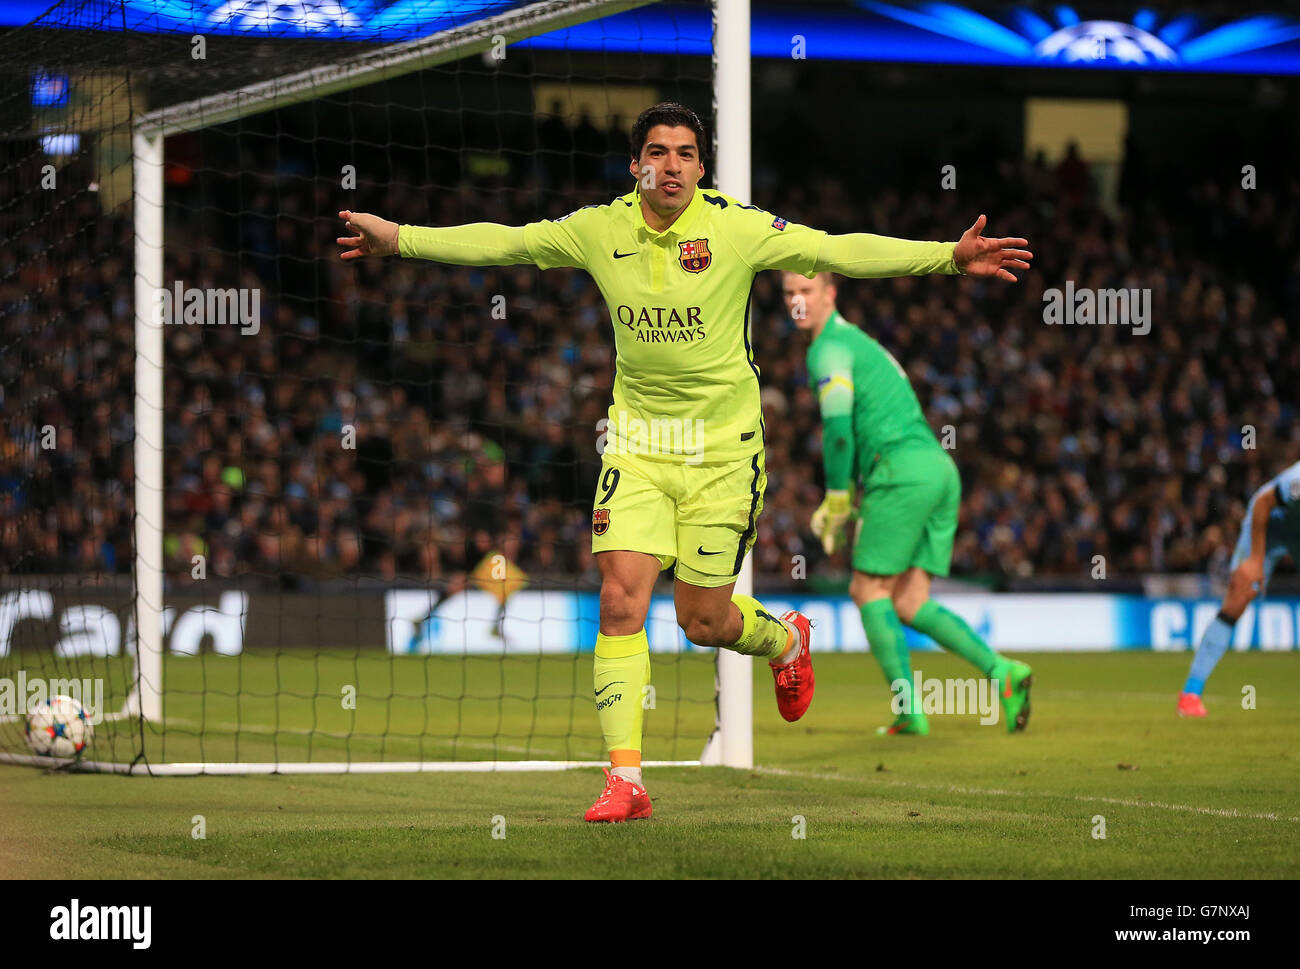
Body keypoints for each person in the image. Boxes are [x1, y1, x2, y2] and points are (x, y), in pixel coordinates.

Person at [337, 101, 1032, 820]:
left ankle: (784, 639)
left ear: (701, 167)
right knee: (619, 600)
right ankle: (626, 780)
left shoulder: (736, 227)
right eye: (658, 152)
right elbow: (506, 243)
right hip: (637, 445)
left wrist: (946, 257)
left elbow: (836, 249)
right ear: (635, 164)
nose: (671, 166)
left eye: (685, 154)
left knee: (702, 621)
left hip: (722, 455)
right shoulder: (599, 229)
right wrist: (403, 239)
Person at [785, 271, 1032, 735]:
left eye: (806, 291)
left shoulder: (828, 348)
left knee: (867, 590)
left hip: (900, 472)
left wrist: (837, 496)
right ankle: (1003, 671)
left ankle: (909, 711)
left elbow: (838, 431)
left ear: (830, 294)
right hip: (937, 470)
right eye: (789, 293)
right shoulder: (861, 345)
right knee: (910, 601)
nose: (797, 301)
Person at [1178, 461, 1300, 716]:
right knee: (1239, 597)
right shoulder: (1296, 481)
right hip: (1269, 525)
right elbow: (1264, 502)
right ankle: (1190, 694)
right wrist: (1255, 559)